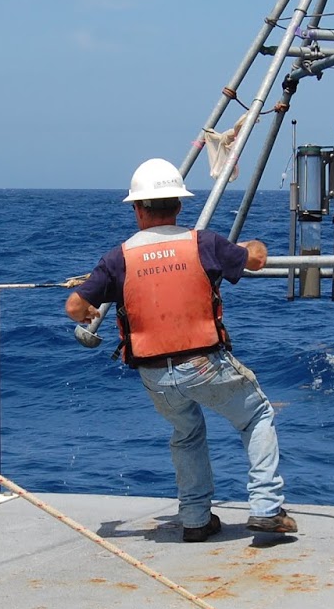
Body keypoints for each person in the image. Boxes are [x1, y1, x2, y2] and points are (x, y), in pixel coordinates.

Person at [65, 158, 295, 542]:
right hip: (204, 362)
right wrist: (252, 244)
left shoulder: (118, 258)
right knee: (257, 416)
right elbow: (254, 260)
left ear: (137, 209)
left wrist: (88, 309)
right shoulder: (203, 244)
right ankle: (267, 509)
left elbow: (74, 305)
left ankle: (195, 519)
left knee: (187, 434)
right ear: (179, 206)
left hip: (154, 373)